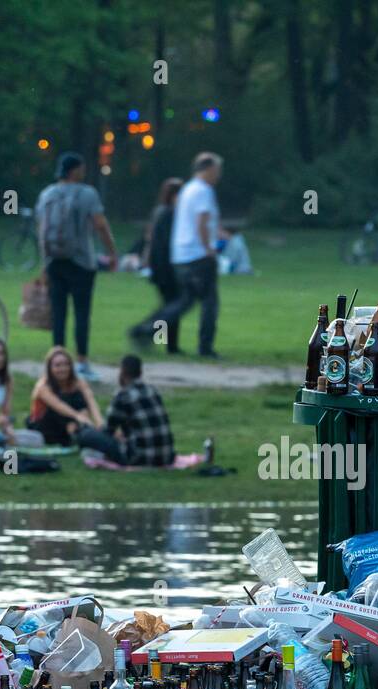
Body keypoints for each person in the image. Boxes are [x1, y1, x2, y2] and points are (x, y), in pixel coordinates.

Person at [36, 152, 117, 380]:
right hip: (81, 261)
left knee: (58, 313)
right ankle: (81, 362)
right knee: (82, 313)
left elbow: (41, 228)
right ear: (75, 171)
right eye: (81, 168)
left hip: (54, 261)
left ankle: (56, 360)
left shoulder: (47, 194)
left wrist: (44, 262)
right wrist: (111, 252)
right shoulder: (87, 194)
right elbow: (100, 224)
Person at [160, 152, 224, 357]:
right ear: (208, 169)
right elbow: (202, 222)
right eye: (217, 170)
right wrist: (208, 249)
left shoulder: (187, 189)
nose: (218, 175)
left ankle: (147, 329)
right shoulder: (204, 191)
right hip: (198, 256)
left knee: (184, 301)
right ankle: (205, 347)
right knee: (209, 303)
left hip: (181, 255)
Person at [94, 354, 177, 467]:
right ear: (141, 372)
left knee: (87, 435)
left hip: (137, 458)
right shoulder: (153, 390)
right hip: (167, 456)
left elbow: (108, 430)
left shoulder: (122, 395)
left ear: (122, 372)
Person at [130, 177, 183, 352]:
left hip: (158, 267)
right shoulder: (170, 214)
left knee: (167, 305)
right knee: (172, 306)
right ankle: (162, 341)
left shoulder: (159, 211)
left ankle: (161, 341)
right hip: (167, 268)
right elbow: (169, 243)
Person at [27, 346, 107, 450]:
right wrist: (78, 417)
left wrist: (100, 423)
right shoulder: (42, 386)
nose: (63, 369)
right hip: (46, 424)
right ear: (49, 368)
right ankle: (77, 433)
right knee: (71, 412)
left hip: (70, 420)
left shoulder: (78, 381)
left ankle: (80, 433)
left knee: (80, 402)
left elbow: (90, 401)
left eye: (66, 364)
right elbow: (58, 405)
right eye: (57, 365)